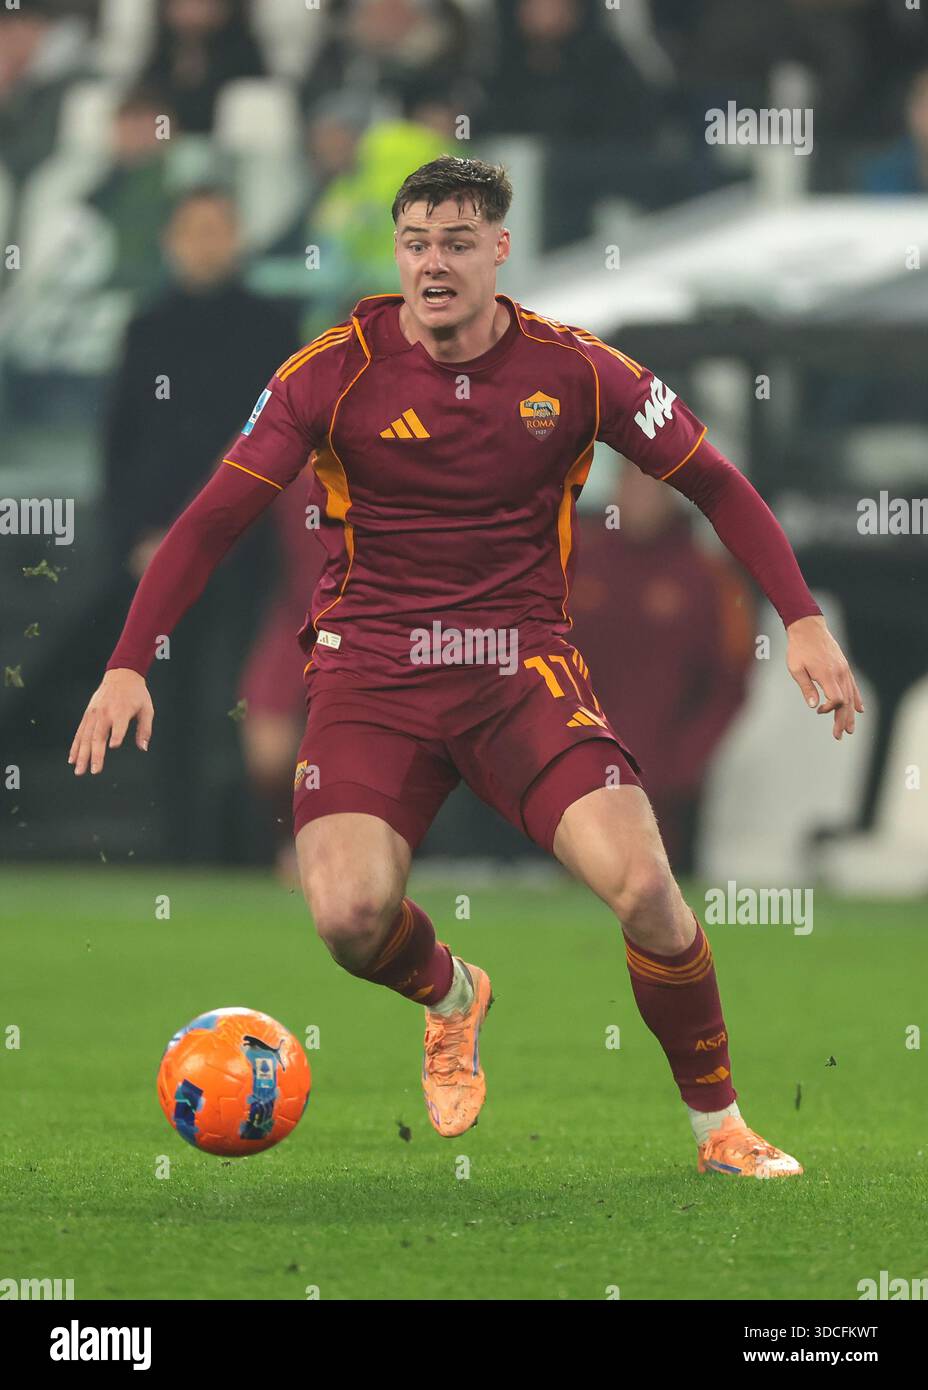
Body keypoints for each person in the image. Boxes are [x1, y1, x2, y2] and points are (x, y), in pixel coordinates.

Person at [71, 156, 863, 1178]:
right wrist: (130, 661)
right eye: (414, 243)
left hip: (520, 672)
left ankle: (721, 1128)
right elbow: (210, 519)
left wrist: (798, 617)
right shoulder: (330, 370)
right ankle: (451, 993)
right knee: (350, 920)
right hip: (373, 680)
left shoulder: (576, 371)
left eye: (454, 243)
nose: (431, 263)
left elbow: (714, 480)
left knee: (648, 893)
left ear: (499, 249)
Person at [570, 464, 754, 874]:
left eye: (650, 485)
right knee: (573, 904)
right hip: (576, 782)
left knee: (663, 903)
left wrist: (683, 765)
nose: (638, 495)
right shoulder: (573, 564)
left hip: (669, 797)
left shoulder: (709, 577)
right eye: (629, 482)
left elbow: (731, 683)